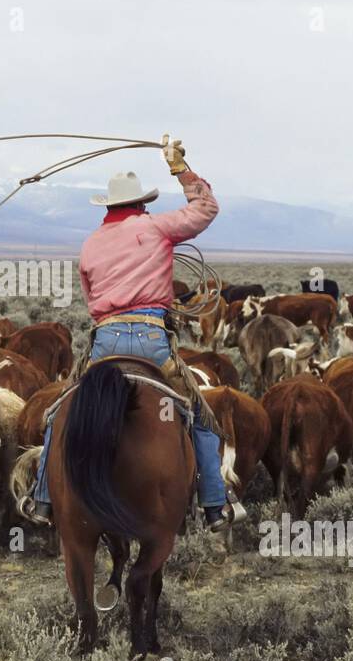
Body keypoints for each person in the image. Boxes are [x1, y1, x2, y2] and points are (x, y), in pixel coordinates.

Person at [19, 137, 247, 532]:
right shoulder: (156, 227)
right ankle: (214, 504)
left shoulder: (90, 245)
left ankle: (42, 500)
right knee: (200, 417)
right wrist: (180, 168)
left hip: (104, 342)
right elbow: (206, 208)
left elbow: (92, 303)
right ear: (141, 204)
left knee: (59, 413)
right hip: (151, 342)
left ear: (107, 207)